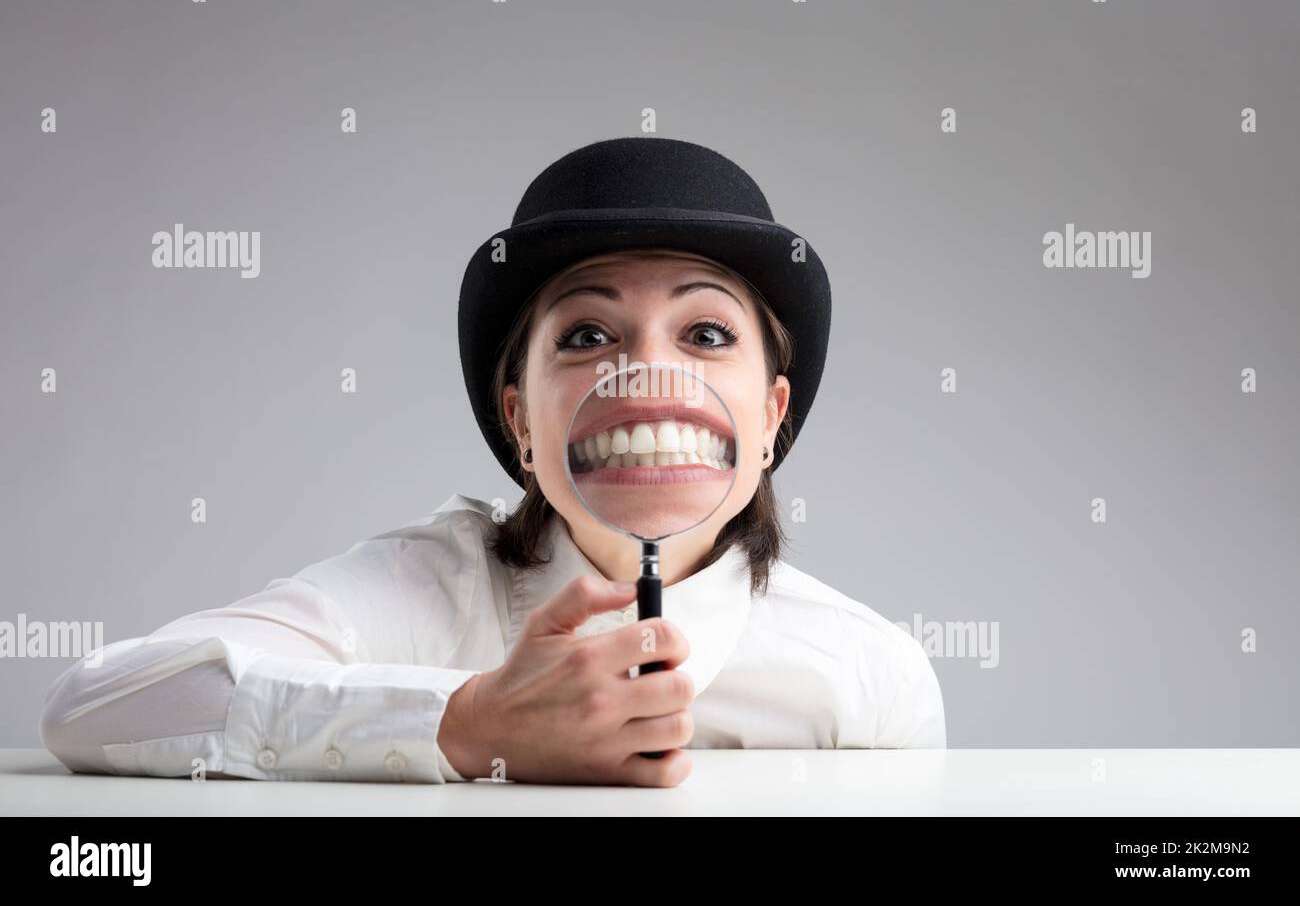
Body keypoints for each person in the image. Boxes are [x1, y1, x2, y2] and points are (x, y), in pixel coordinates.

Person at [39, 137, 945, 788]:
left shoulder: (868, 681)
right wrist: (465, 723)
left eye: (706, 333)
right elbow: (97, 706)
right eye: (588, 334)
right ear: (519, 418)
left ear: (771, 415)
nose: (644, 373)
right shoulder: (423, 590)